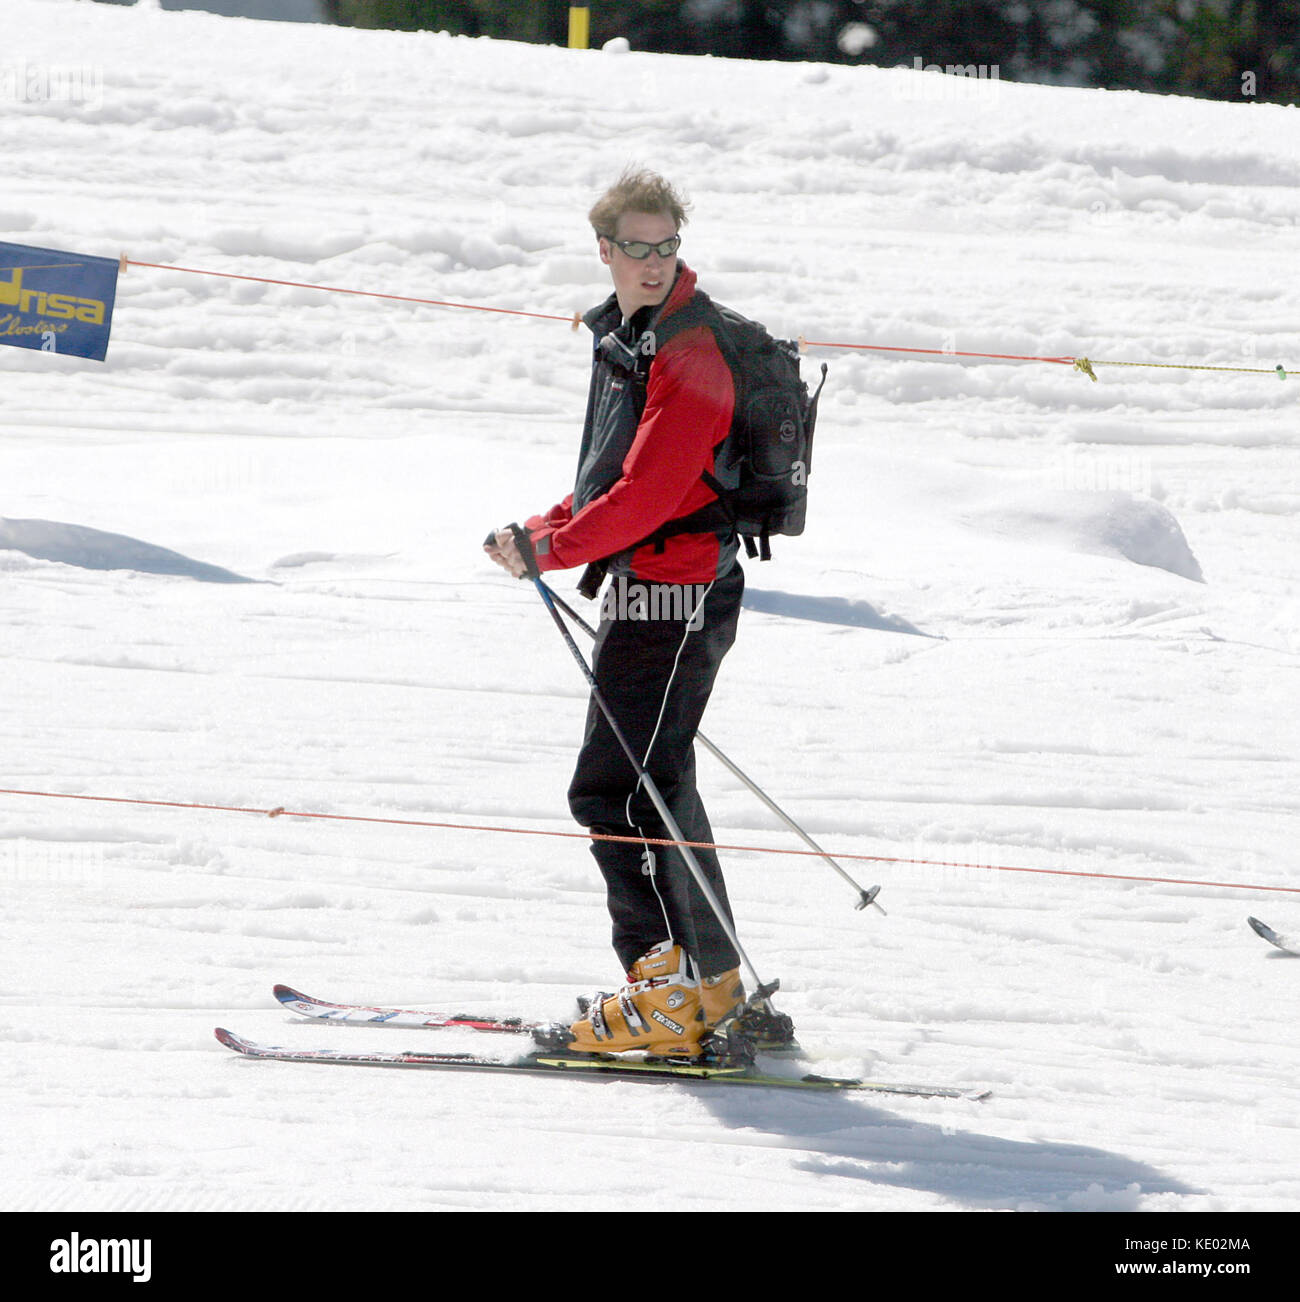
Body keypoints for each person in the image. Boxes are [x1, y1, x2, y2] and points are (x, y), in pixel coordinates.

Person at [485, 168, 755, 1059]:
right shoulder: (633, 337)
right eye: (635, 246)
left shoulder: (690, 351)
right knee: (654, 781)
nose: (651, 260)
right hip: (653, 582)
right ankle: (708, 986)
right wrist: (542, 529)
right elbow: (613, 475)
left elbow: (650, 494)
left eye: (665, 244)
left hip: (676, 590)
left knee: (615, 789)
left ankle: (672, 992)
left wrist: (553, 551)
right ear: (604, 248)